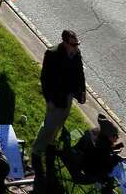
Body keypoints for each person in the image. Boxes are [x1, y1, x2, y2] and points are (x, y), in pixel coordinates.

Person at [31, 29, 87, 177]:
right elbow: (45, 79)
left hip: (68, 95)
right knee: (49, 124)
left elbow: (80, 73)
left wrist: (82, 91)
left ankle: (51, 143)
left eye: (77, 44)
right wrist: (48, 100)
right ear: (65, 42)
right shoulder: (52, 54)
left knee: (60, 122)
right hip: (55, 96)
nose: (76, 47)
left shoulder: (76, 53)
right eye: (73, 44)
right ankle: (37, 150)